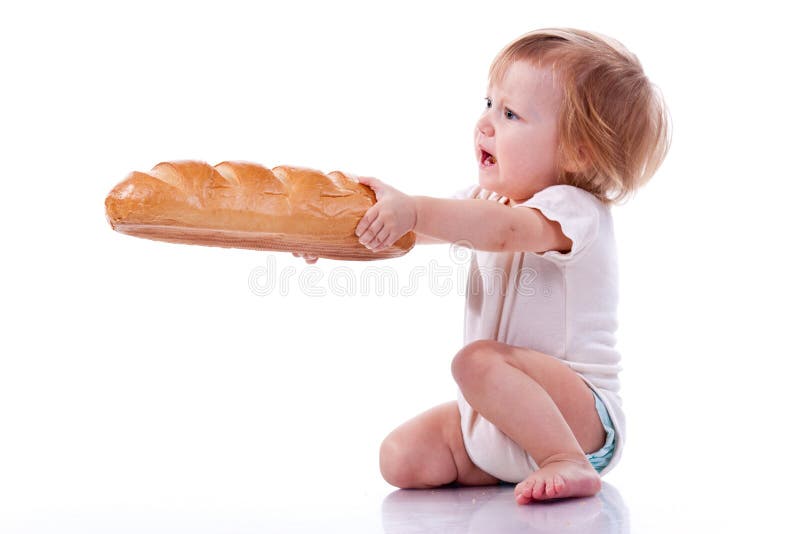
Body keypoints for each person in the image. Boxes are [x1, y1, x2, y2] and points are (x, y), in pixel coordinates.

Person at [295, 27, 670, 504]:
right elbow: (420, 231)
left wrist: (414, 207)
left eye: (510, 113)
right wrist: (339, 236)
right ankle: (504, 464)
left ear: (580, 152)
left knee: (475, 362)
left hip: (579, 418)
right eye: (488, 102)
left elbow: (503, 229)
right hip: (498, 417)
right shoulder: (486, 203)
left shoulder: (575, 210)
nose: (485, 124)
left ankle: (566, 462)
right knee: (402, 457)